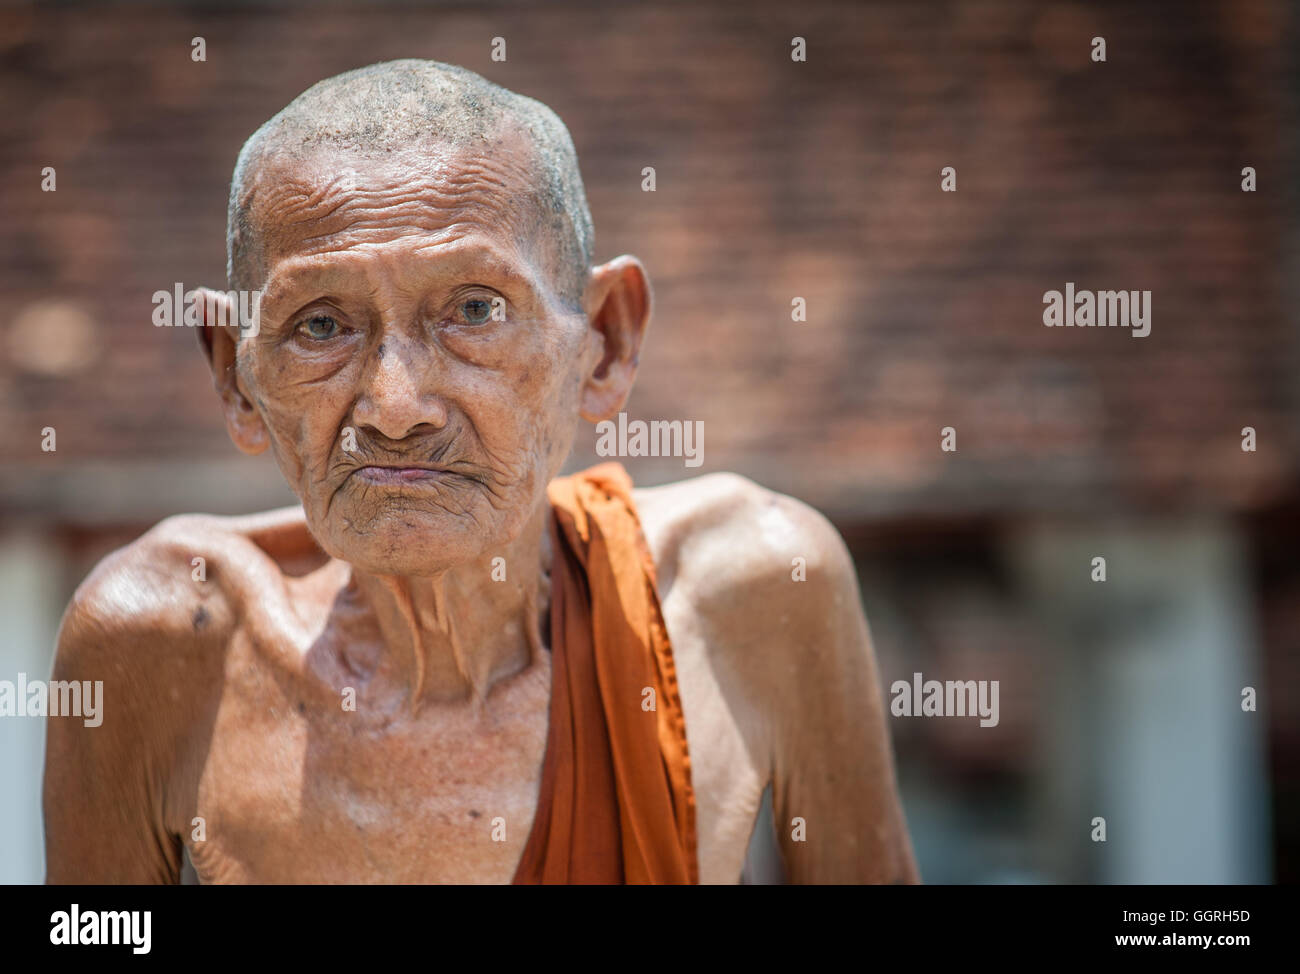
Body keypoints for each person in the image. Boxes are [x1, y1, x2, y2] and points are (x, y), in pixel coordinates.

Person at [42, 60, 918, 884]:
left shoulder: (755, 588)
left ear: (605, 342)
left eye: (474, 309)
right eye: (320, 326)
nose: (395, 405)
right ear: (237, 374)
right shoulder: (158, 641)